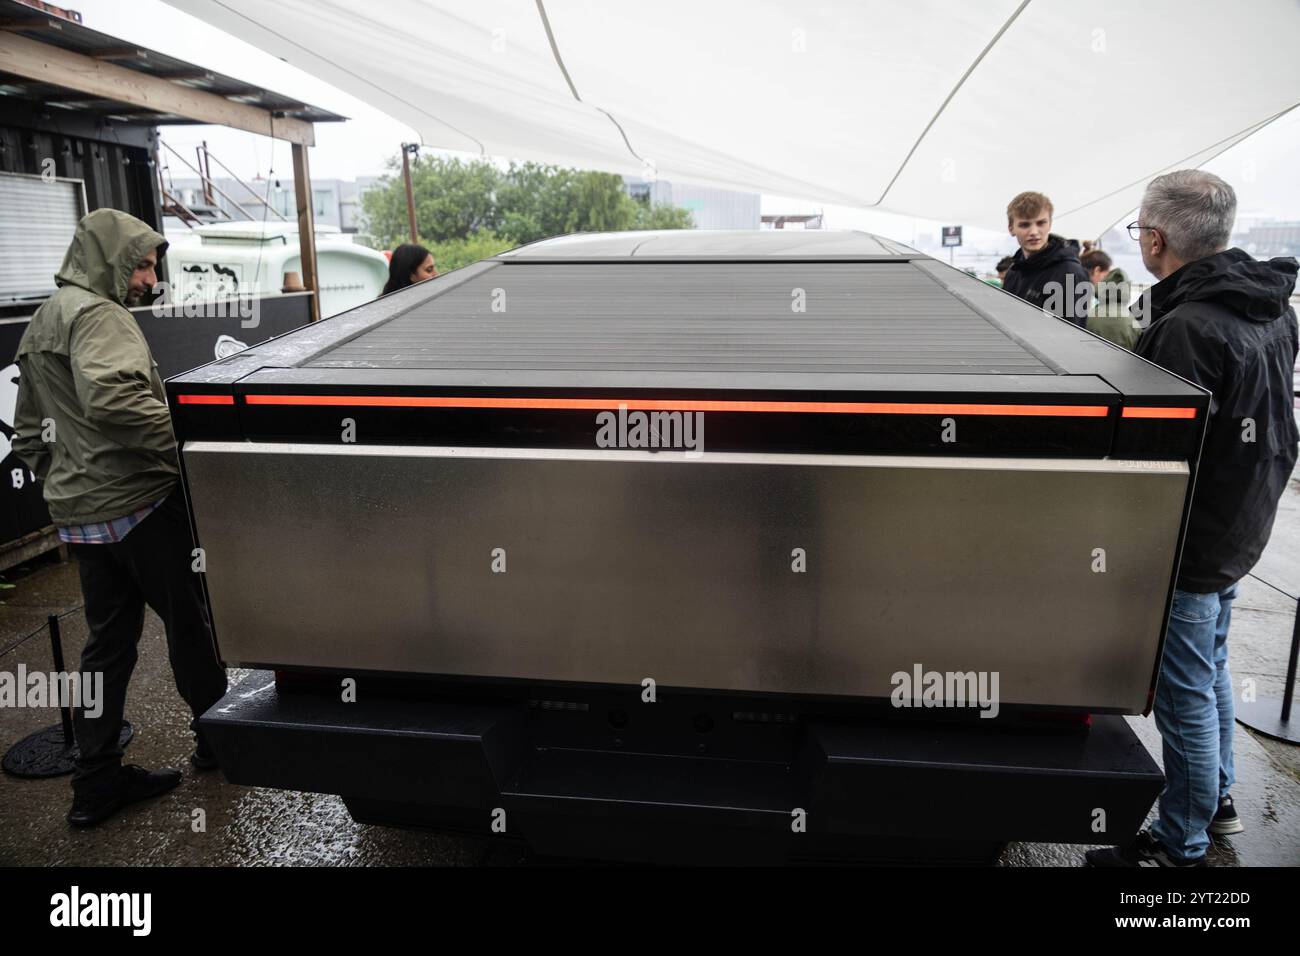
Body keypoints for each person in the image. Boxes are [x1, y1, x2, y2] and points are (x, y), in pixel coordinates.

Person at [1086, 170, 1299, 867]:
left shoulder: (1185, 328)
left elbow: (1155, 459)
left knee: (1182, 696)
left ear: (1155, 238)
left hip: (1193, 541)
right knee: (1208, 671)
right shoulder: (1274, 309)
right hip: (1242, 526)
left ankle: (1181, 842)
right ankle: (1221, 799)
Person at [11, 209, 229, 827]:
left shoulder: (43, 320)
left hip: (83, 518)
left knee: (107, 647)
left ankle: (95, 781)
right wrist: (180, 452)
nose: (149, 278)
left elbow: (28, 434)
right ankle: (218, 742)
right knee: (191, 626)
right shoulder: (100, 315)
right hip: (140, 504)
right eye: (141, 263)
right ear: (109, 259)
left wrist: (66, 479)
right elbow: (114, 398)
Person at [1001, 191, 1092, 326]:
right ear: (1011, 228)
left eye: (1041, 223)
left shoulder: (1070, 274)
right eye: (1025, 225)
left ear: (1049, 224)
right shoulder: (1013, 272)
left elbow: (1072, 338)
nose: (1034, 232)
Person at [1079, 248, 1139, 349]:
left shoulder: (1087, 308)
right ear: (1097, 270)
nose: (1109, 277)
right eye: (1107, 272)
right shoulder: (1132, 320)